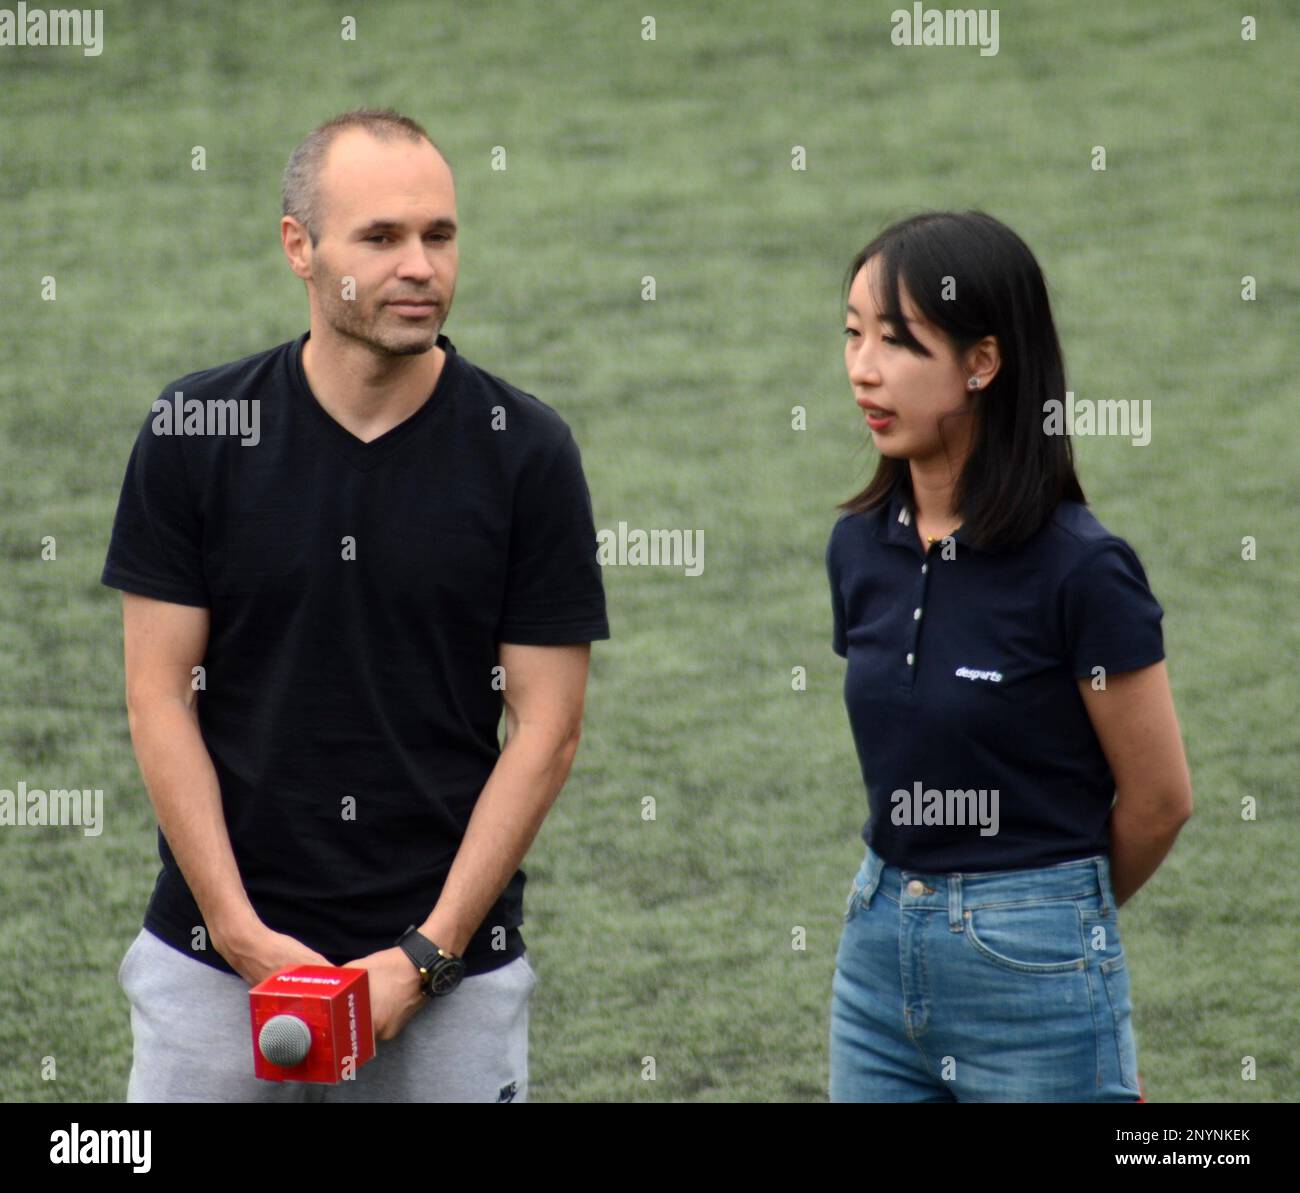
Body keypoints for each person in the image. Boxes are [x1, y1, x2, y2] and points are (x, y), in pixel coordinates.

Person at [102, 108, 609, 1102]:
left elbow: (546, 726)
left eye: (439, 234)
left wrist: (426, 953)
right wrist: (245, 939)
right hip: (210, 961)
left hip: (451, 966)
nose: (418, 264)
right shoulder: (196, 431)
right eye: (380, 237)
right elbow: (158, 698)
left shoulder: (525, 451)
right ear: (299, 247)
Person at [825, 210, 1193, 1102]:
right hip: (876, 957)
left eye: (899, 341)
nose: (863, 368)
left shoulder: (1082, 570)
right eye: (853, 334)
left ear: (983, 362)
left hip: (1033, 963)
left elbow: (1159, 801)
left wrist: (1055, 925)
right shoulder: (860, 546)